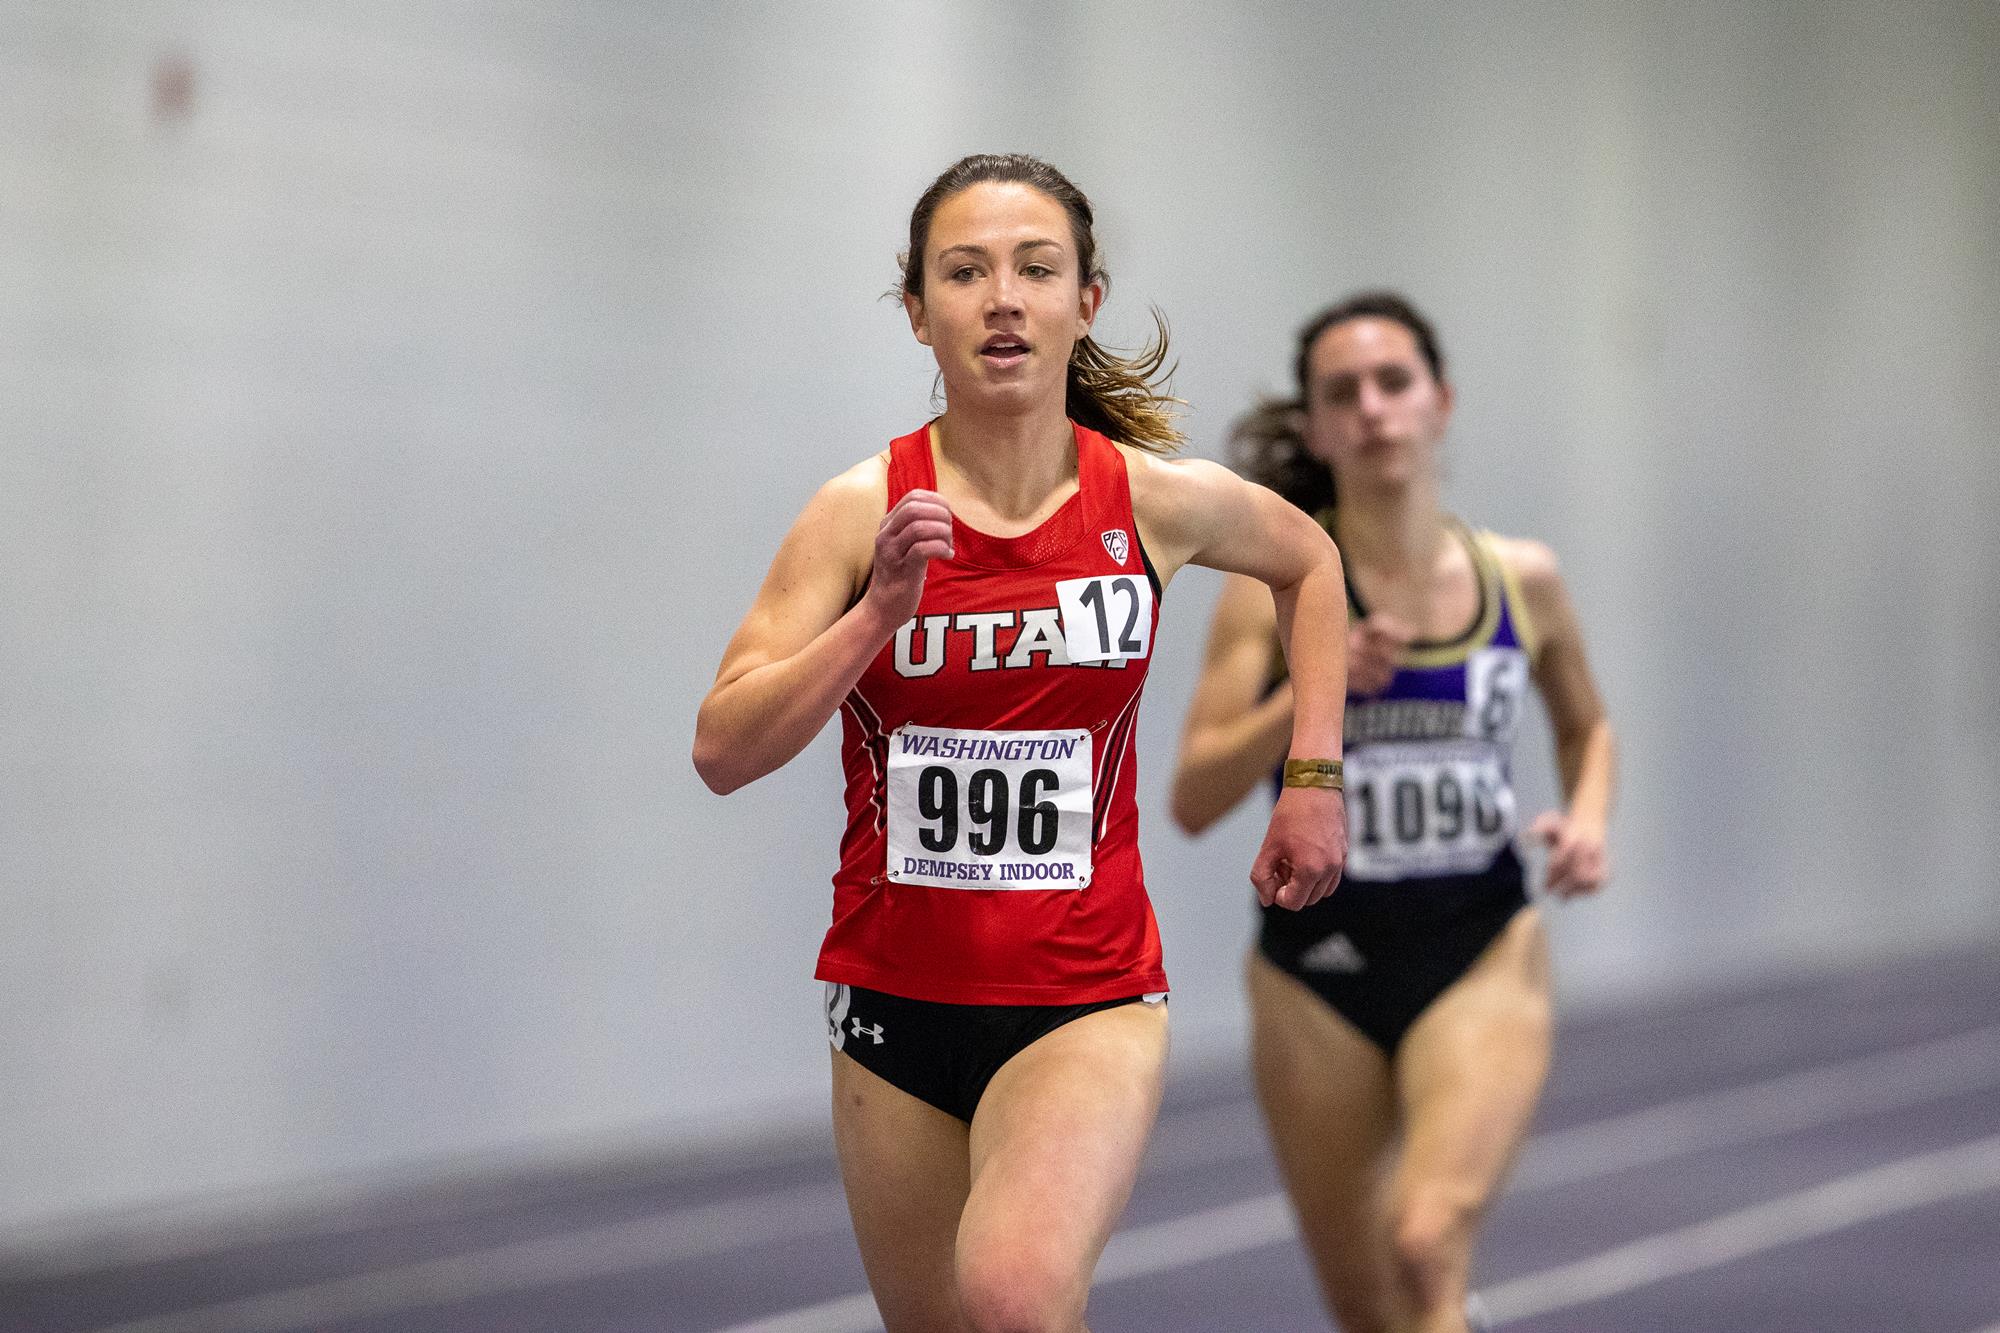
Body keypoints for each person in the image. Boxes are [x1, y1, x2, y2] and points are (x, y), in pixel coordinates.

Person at [693, 154, 1350, 1333]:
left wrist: (1310, 776)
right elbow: (722, 750)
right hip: (892, 1001)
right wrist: (874, 617)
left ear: (1083, 302)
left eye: (1034, 269)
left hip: (1082, 993)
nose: (1001, 298)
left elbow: (1308, 562)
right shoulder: (858, 511)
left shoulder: (1148, 500)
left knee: (1012, 1296)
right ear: (917, 312)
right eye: (964, 272)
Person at [1170, 293, 1616, 1333]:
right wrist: (1311, 688)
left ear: (1439, 402)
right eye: (1343, 393)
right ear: (1316, 428)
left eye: (1393, 382)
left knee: (1424, 1238)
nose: (1371, 408)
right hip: (1314, 970)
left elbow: (1587, 724)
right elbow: (1193, 796)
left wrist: (1589, 817)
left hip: (1478, 945)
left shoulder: (1521, 579)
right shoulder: (1271, 588)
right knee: (1369, 1306)